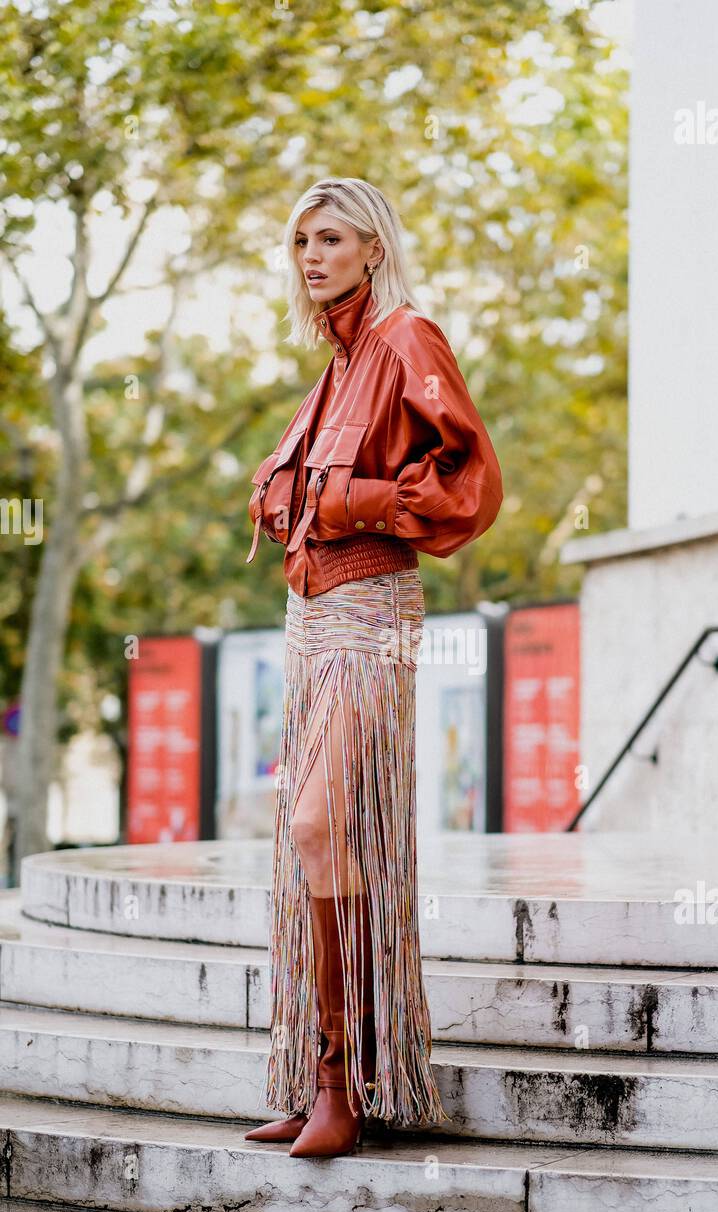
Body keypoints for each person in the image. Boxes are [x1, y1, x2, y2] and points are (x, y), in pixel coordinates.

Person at [244, 177, 503, 1157]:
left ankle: (335, 1084)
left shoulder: (403, 338)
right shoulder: (340, 362)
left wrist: (364, 504)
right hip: (307, 619)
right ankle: (336, 1079)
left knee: (318, 821)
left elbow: (470, 479)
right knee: (312, 839)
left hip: (370, 611)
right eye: (302, 239)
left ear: (372, 248)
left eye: (333, 237)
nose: (313, 256)